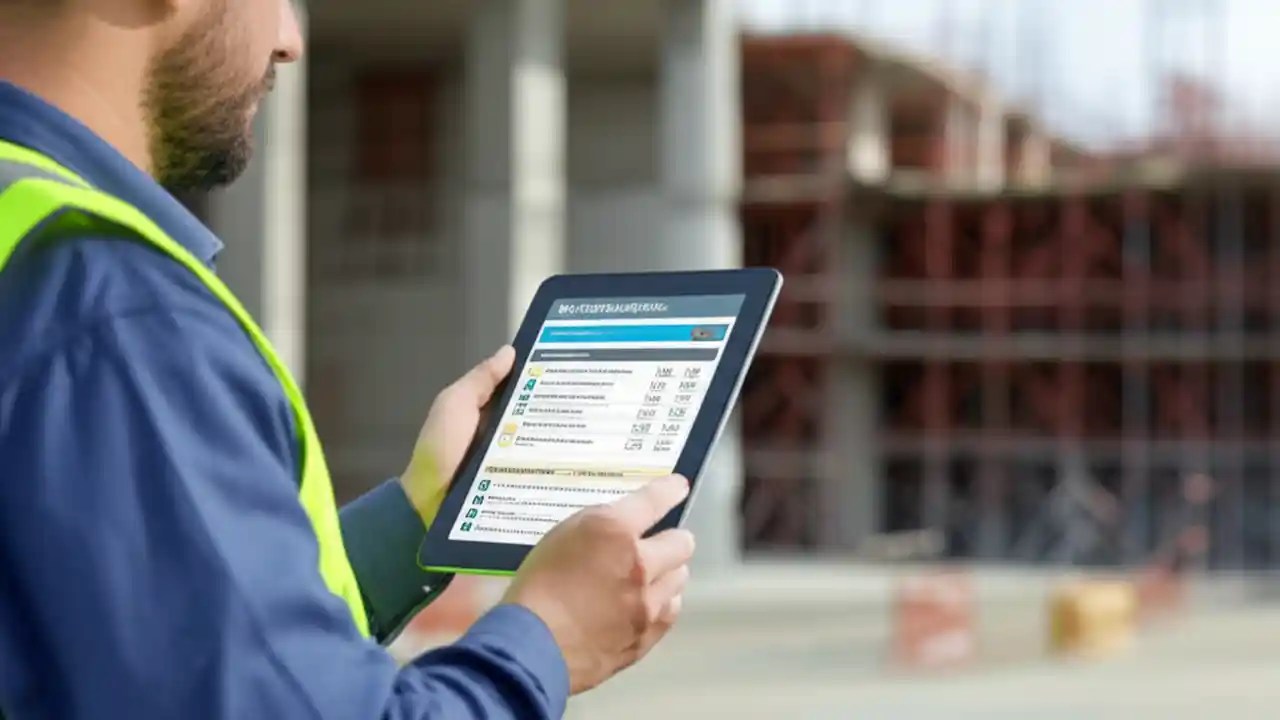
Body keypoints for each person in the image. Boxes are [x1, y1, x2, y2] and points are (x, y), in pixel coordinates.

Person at [0, 1, 695, 718]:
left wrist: (416, 517)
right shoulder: (113, 310)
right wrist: (549, 636)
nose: (290, 41)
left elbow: (165, 651)